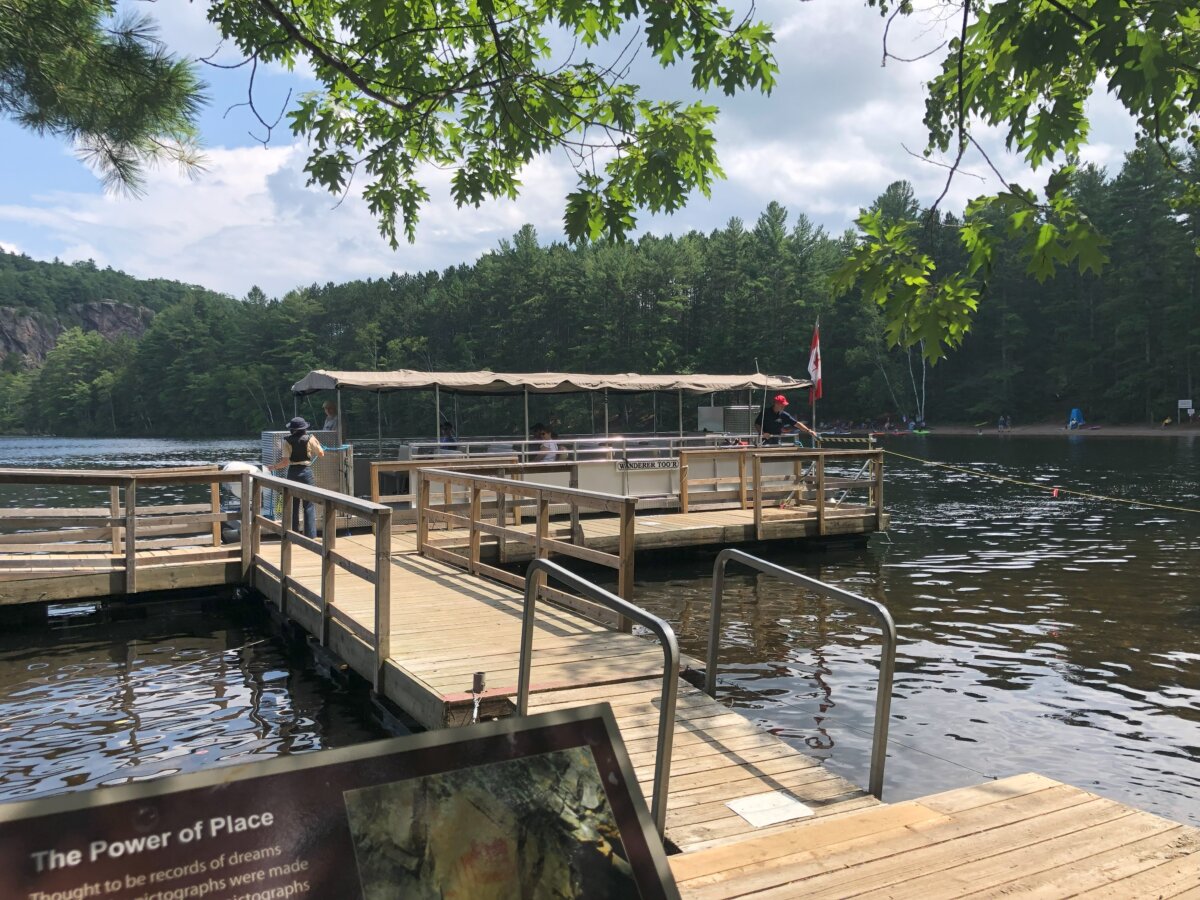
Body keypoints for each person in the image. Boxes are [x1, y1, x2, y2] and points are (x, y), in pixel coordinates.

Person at [268, 417, 325, 538]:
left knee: (293, 504)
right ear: (304, 428)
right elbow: (321, 453)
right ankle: (310, 536)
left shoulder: (286, 441)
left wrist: (274, 467)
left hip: (292, 473)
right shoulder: (310, 438)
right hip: (306, 472)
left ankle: (293, 534)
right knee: (308, 505)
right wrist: (316, 442)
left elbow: (285, 462)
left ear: (292, 429)